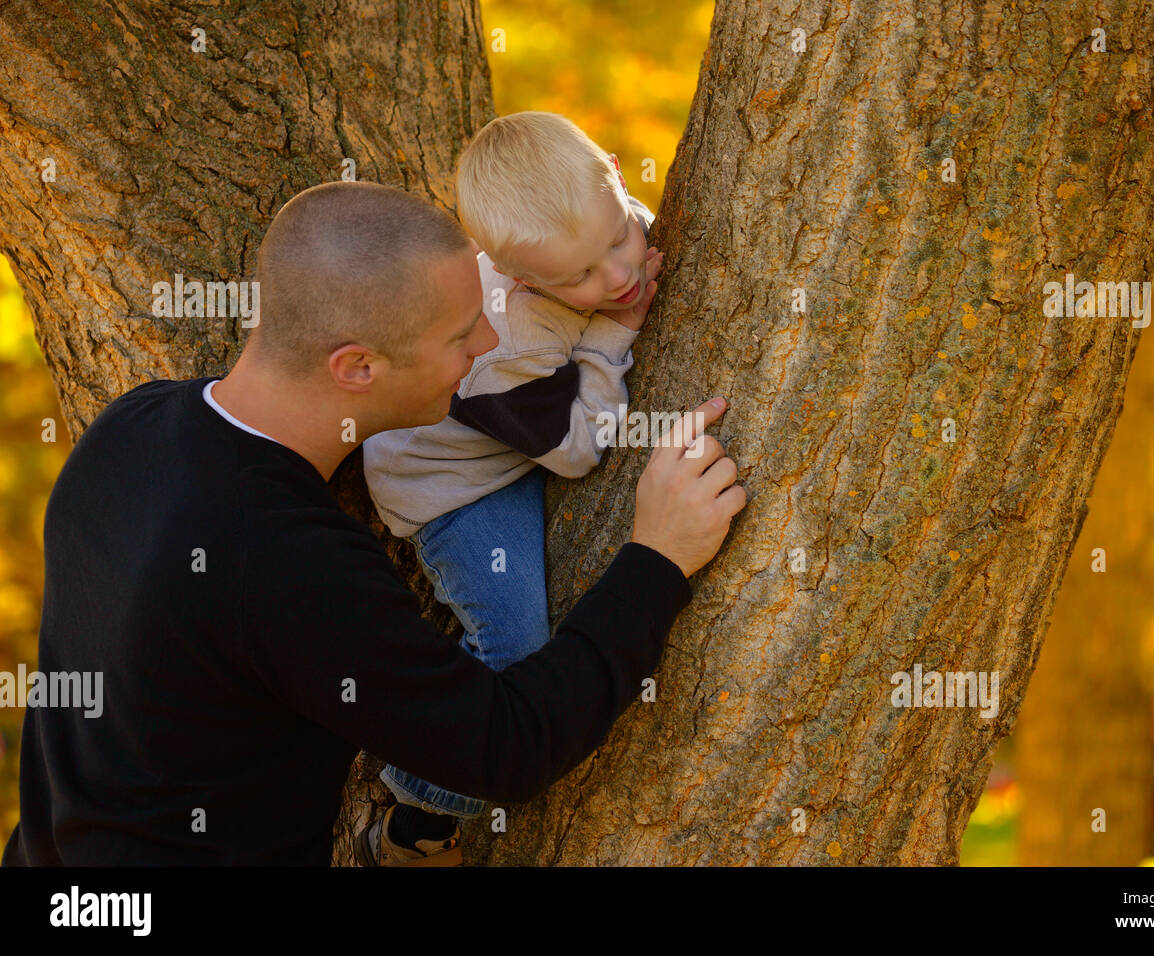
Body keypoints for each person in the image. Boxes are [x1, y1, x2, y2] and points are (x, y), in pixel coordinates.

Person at [1, 179, 746, 866]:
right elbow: (506, 745)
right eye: (461, 337)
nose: (487, 346)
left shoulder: (131, 426)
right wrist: (656, 557)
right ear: (357, 368)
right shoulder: (288, 564)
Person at [360, 112, 666, 863]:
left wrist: (615, 259)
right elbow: (576, 450)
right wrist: (611, 336)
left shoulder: (598, 226)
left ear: (617, 175)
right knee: (521, 643)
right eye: (582, 278)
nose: (620, 277)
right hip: (453, 484)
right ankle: (421, 794)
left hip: (514, 441)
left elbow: (615, 247)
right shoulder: (510, 344)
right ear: (526, 279)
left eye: (620, 239)